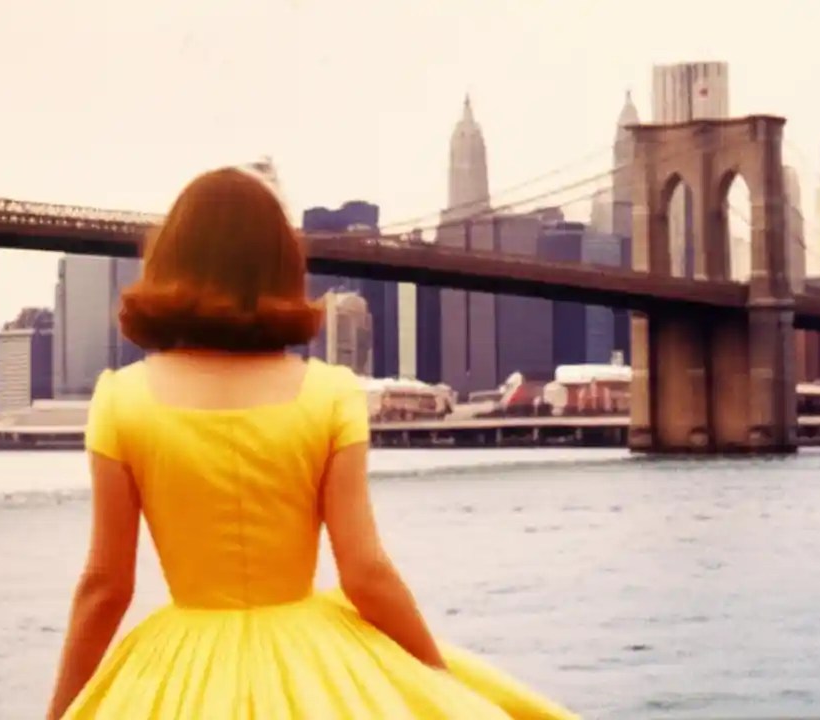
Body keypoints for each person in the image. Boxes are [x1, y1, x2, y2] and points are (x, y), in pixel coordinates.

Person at [46, 167, 578, 719]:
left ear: (168, 263)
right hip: (314, 667)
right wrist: (438, 681)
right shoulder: (329, 394)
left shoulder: (121, 400)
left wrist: (59, 712)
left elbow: (106, 586)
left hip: (178, 670)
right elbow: (365, 572)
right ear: (281, 268)